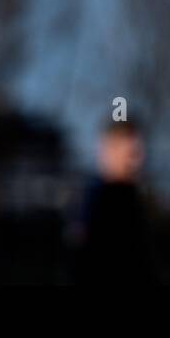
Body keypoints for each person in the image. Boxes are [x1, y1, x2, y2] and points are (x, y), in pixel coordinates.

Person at [69, 120, 157, 284]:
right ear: (107, 151)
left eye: (138, 153)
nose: (137, 161)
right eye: (131, 153)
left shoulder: (130, 196)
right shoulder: (99, 201)